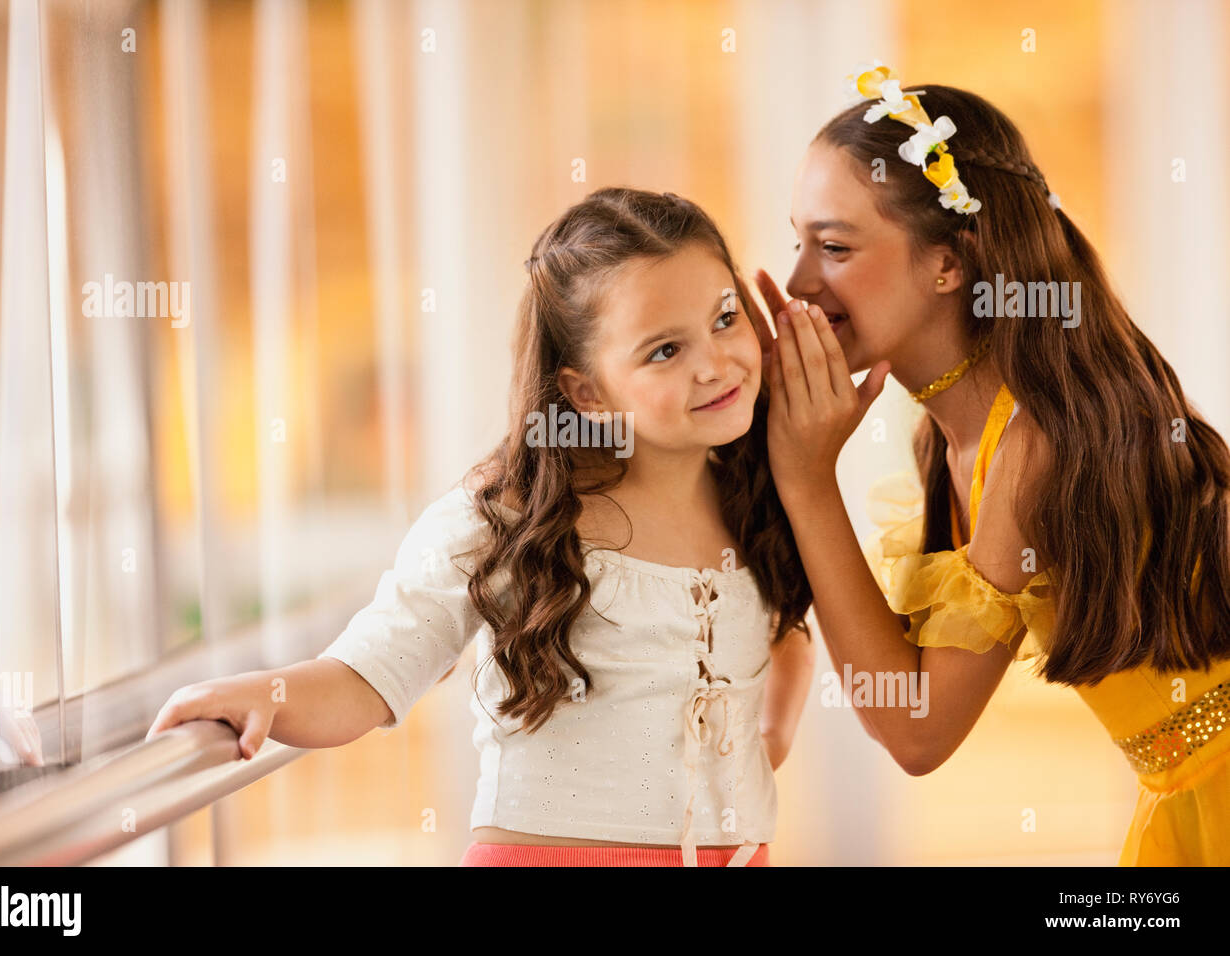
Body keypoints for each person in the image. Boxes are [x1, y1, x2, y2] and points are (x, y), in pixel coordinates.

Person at [148, 187, 817, 867]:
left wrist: (771, 735)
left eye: (725, 318)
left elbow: (783, 634)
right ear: (586, 392)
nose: (715, 362)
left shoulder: (758, 502)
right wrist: (265, 692)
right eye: (665, 351)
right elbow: (368, 674)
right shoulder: (507, 520)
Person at [756, 62, 1230, 864]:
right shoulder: (956, 436)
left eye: (833, 246)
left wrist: (806, 479)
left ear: (949, 263)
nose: (800, 283)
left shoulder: (1030, 444)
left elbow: (916, 729)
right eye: (797, 242)